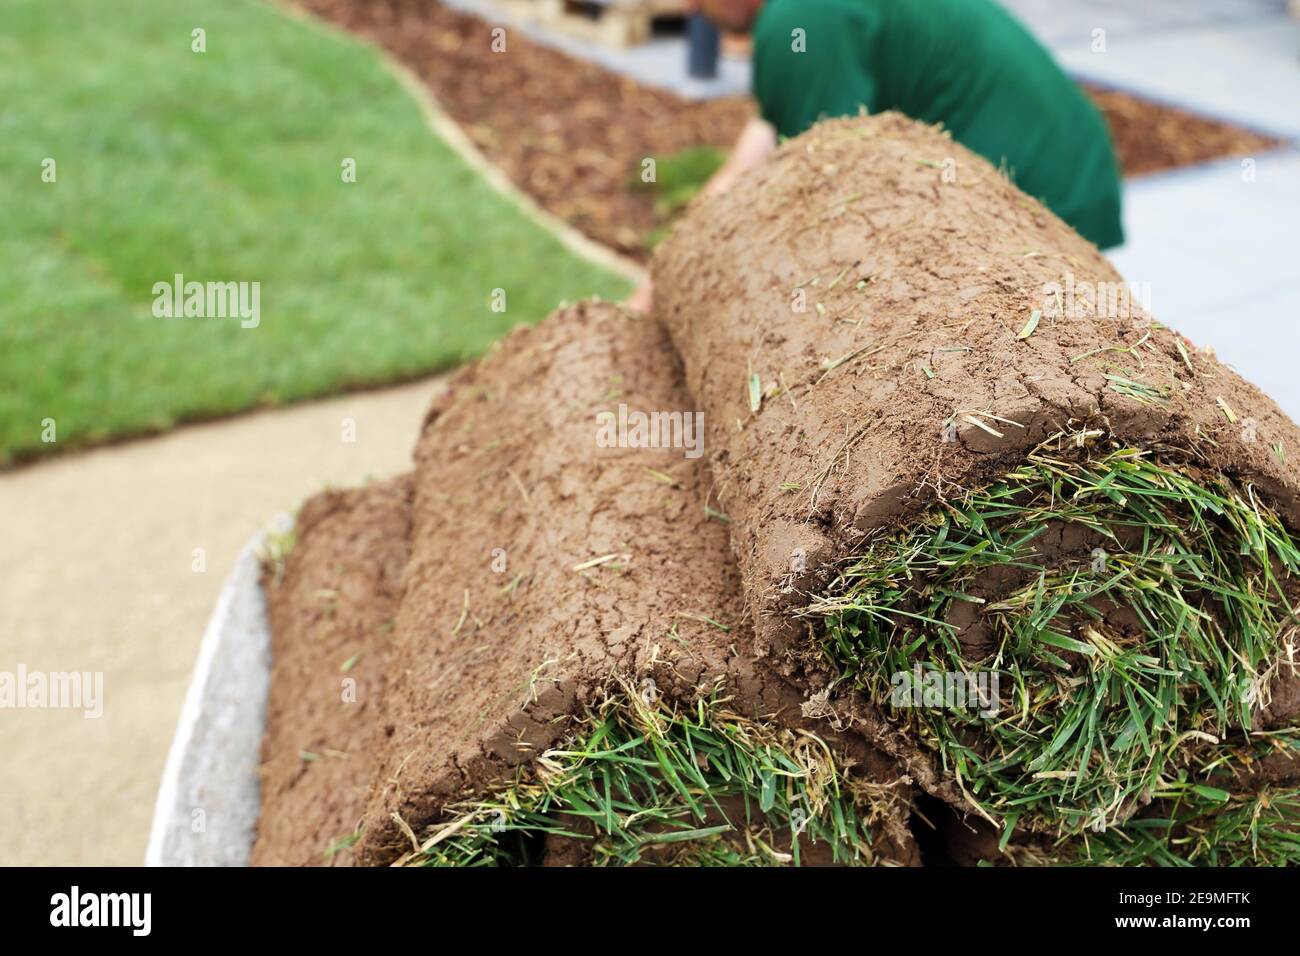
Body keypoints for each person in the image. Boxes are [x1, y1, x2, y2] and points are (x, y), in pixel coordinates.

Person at [627, 0, 1124, 313]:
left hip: (1033, 187)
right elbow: (766, 138)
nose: (689, 10)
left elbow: (825, 180)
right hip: (1058, 155)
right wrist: (675, 264)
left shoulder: (801, 18)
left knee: (1031, 372)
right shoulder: (803, 16)